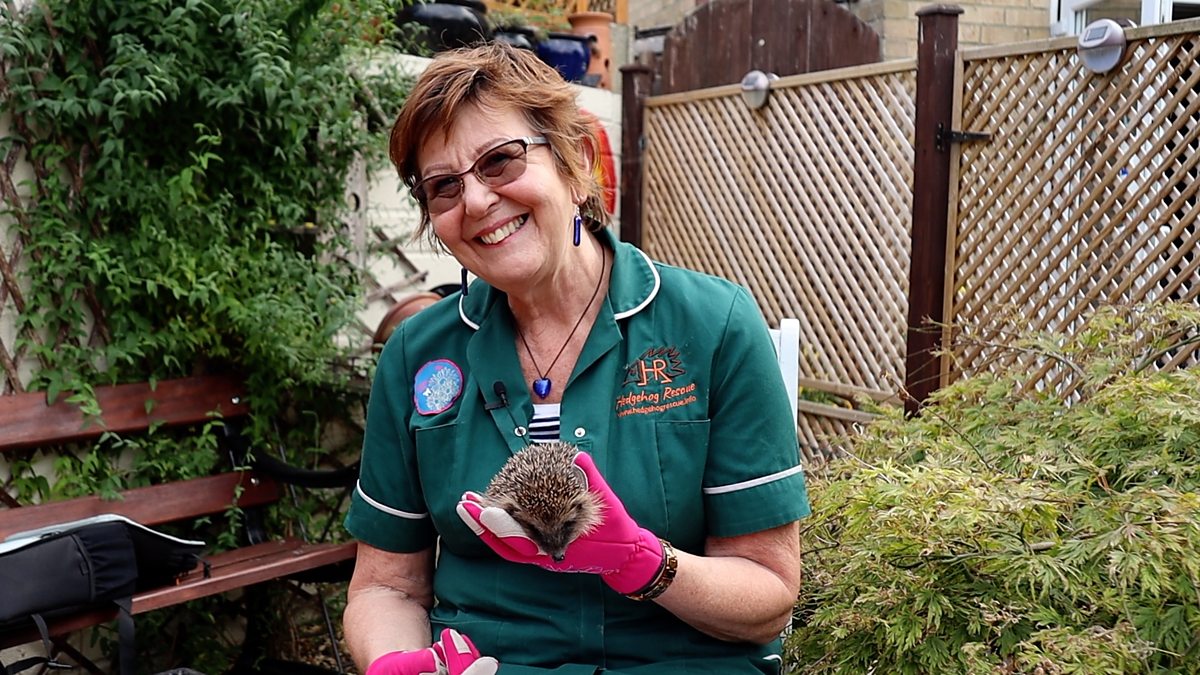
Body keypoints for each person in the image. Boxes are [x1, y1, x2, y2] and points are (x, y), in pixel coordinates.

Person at [343, 42, 811, 675]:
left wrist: (643, 562)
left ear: (577, 162)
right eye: (444, 188)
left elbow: (768, 596)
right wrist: (403, 663)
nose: (476, 201)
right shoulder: (416, 356)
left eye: (501, 162)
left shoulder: (712, 326)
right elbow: (387, 587)